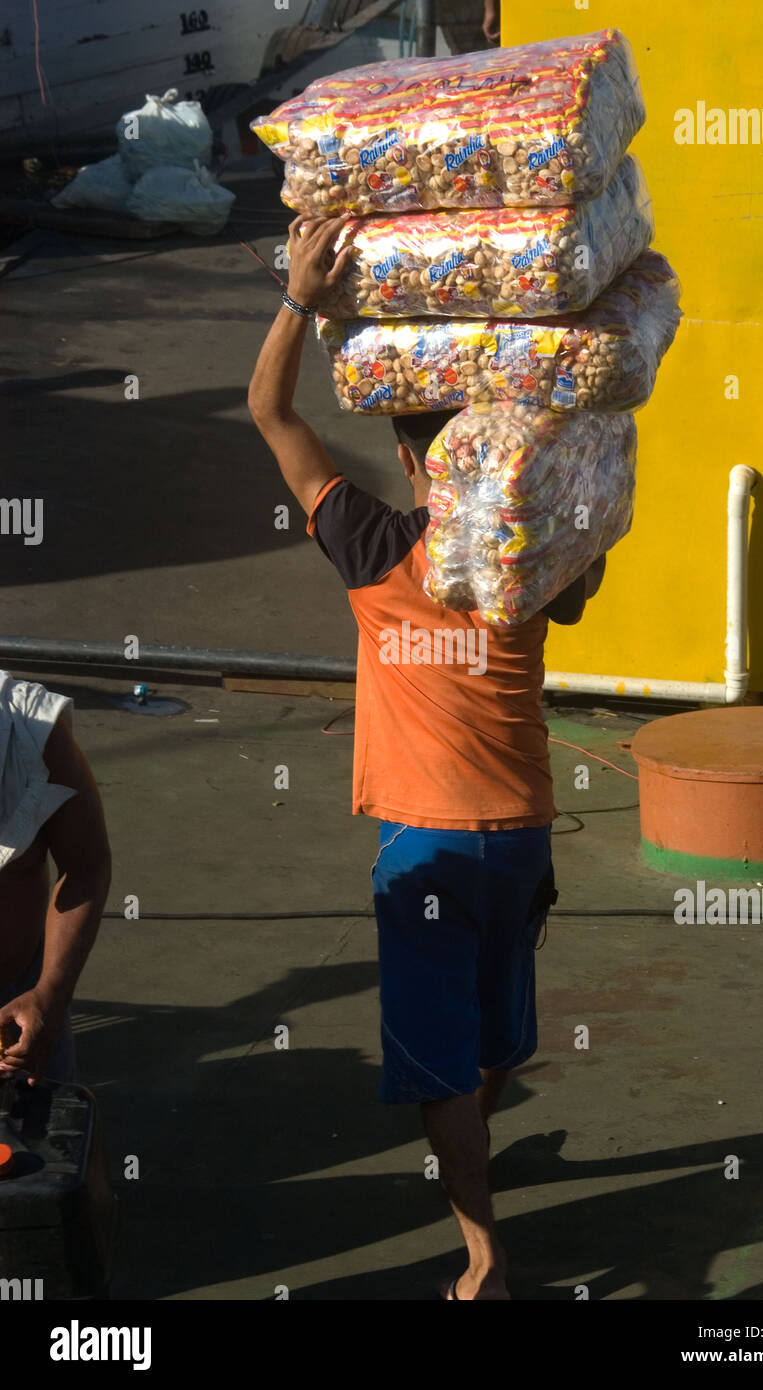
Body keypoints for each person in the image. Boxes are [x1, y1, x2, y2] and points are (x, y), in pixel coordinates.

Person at [248, 216, 606, 1301]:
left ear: (409, 457)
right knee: (495, 1038)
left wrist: (303, 295)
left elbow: (268, 411)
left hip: (429, 847)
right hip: (524, 834)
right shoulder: (527, 564)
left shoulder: (370, 545)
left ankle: (482, 1256)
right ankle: (472, 1166)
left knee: (439, 1061)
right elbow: (591, 561)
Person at [0, 674, 111, 1086]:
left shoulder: (30, 728)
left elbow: (86, 864)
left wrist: (50, 994)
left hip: (17, 993)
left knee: (38, 1140)